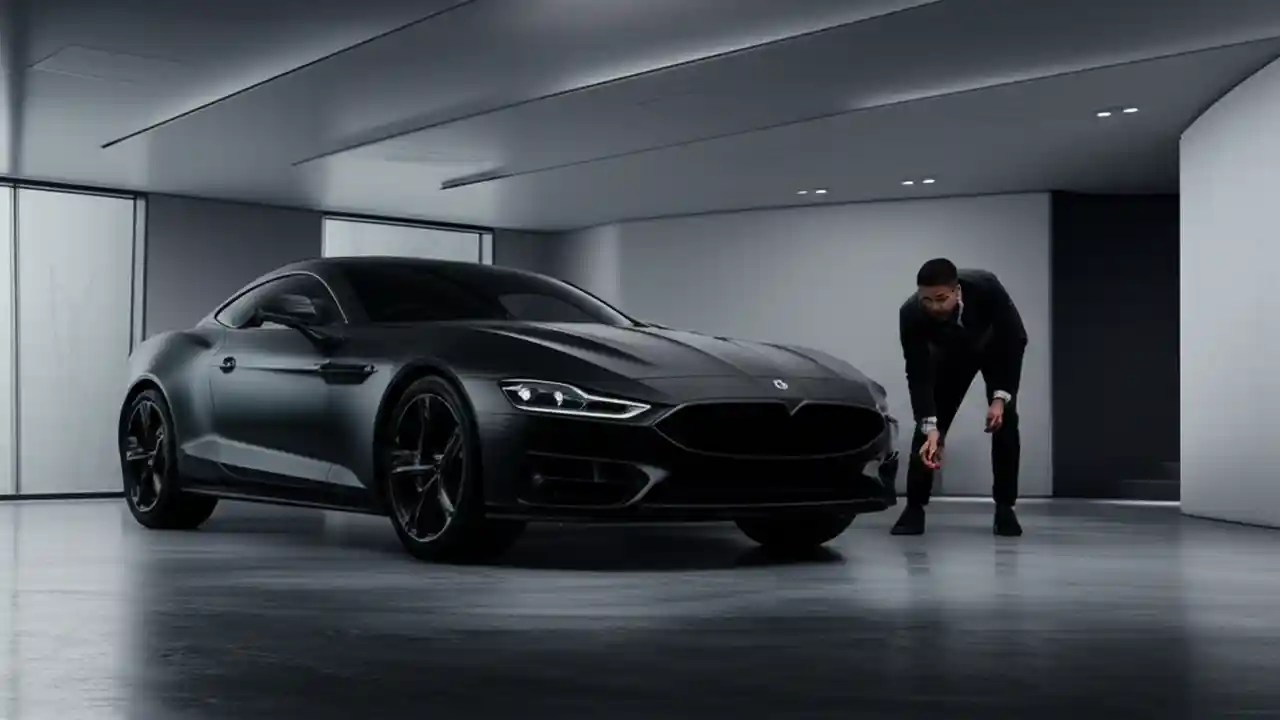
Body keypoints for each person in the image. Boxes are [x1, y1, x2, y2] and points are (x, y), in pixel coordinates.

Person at [891, 258, 1027, 536]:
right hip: (953, 357)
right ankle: (914, 508)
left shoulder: (986, 287)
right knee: (928, 427)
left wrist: (1000, 399)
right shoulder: (911, 314)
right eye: (926, 300)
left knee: (1006, 422)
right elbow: (918, 374)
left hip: (996, 350)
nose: (933, 307)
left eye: (940, 299)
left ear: (957, 292)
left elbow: (1015, 339)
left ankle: (1005, 509)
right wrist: (930, 427)